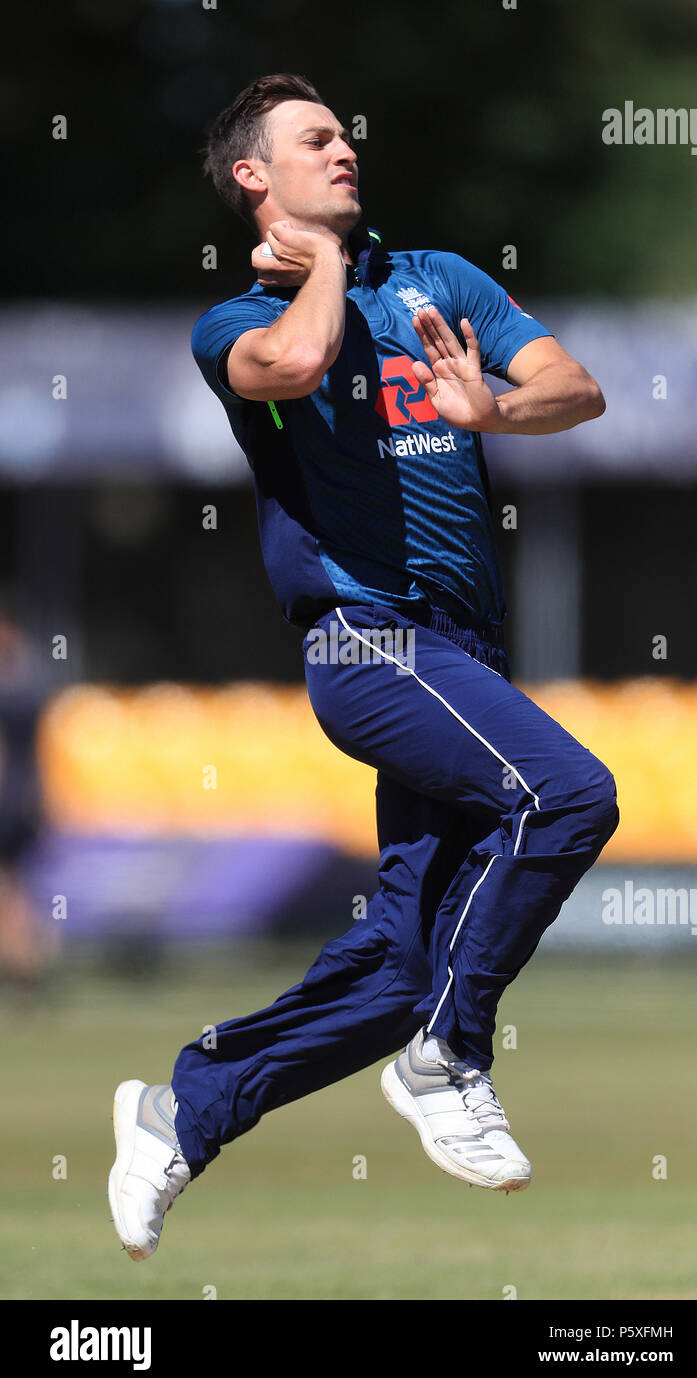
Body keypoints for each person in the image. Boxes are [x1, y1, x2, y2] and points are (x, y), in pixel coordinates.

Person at [109, 72, 618, 1261]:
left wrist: (493, 407)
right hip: (371, 639)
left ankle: (186, 1105)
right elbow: (292, 366)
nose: (345, 150)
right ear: (254, 178)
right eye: (314, 139)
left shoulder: (441, 277)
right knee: (570, 792)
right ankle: (451, 1059)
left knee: (399, 964)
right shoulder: (230, 325)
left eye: (343, 135)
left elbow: (577, 390)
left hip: (463, 648)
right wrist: (321, 264)